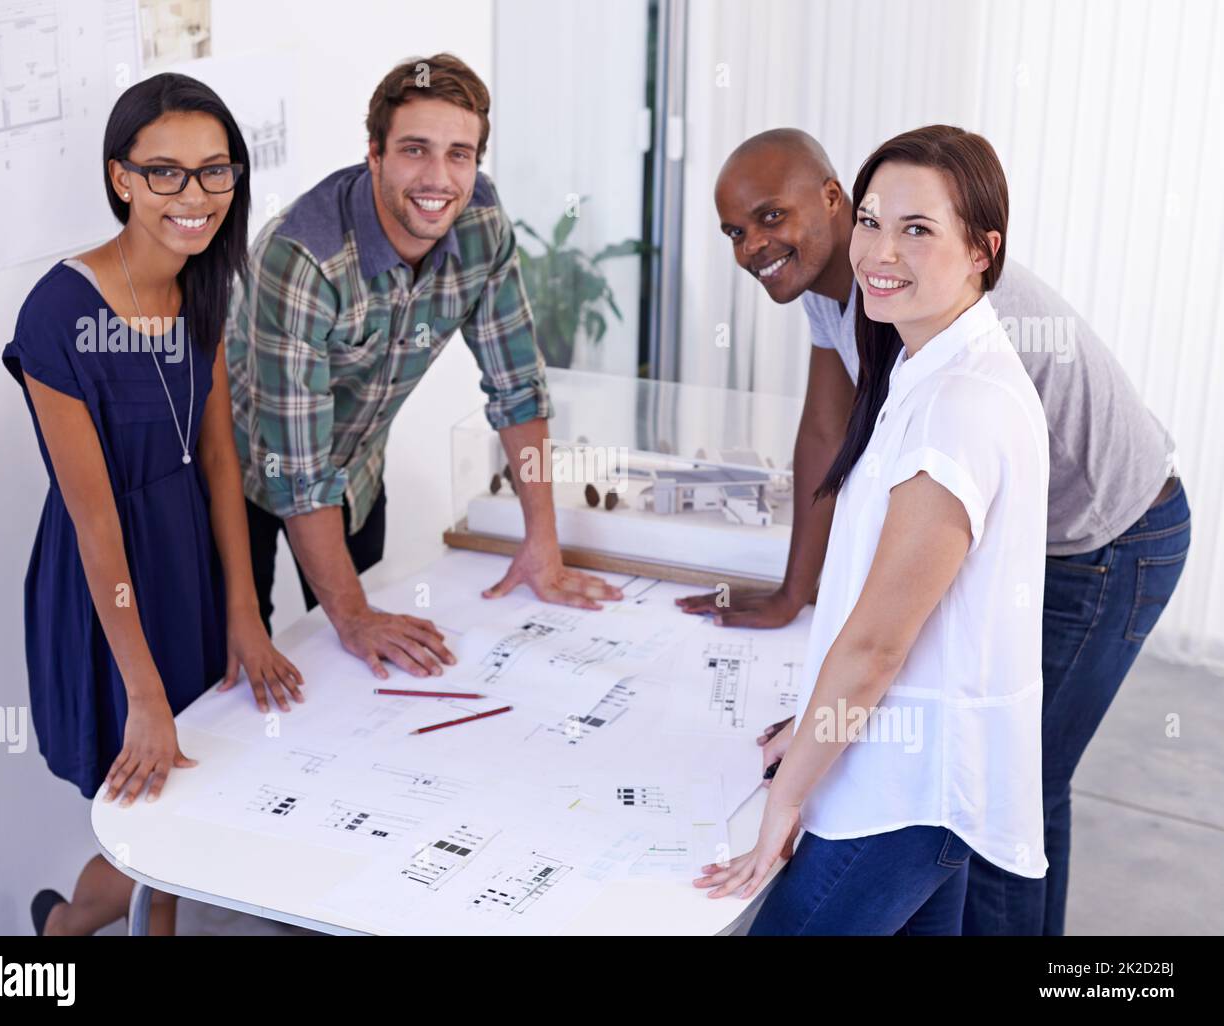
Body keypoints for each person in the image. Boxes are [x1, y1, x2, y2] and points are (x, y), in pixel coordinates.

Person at [681, 127, 1189, 934]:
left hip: (1111, 530)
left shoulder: (962, 374)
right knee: (968, 788)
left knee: (1008, 784)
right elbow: (829, 433)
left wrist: (799, 779)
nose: (755, 245)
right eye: (736, 231)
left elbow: (885, 643)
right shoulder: (872, 296)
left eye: (771, 216)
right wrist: (796, 605)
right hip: (1003, 535)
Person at [694, 126, 1049, 934]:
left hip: (900, 794)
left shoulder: (957, 408)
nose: (880, 252)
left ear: (981, 251)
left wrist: (784, 804)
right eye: (873, 222)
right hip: (912, 777)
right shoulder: (926, 365)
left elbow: (879, 645)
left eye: (917, 230)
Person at [4, 73, 299, 936]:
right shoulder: (57, 313)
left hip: (189, 573)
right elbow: (94, 520)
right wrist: (142, 688)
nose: (194, 195)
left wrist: (245, 614)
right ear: (121, 178)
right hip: (110, 596)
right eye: (164, 172)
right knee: (150, 817)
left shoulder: (202, 283)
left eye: (215, 171)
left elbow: (217, 456)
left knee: (184, 816)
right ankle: (66, 931)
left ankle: (65, 927)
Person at [227, 53, 621, 681]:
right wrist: (354, 617)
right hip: (233, 473)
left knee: (354, 677)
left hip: (353, 472)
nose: (438, 178)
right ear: (374, 153)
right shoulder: (304, 257)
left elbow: (518, 387)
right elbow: (297, 474)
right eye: (415, 149)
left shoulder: (481, 223)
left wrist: (541, 542)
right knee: (241, 674)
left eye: (459, 154)